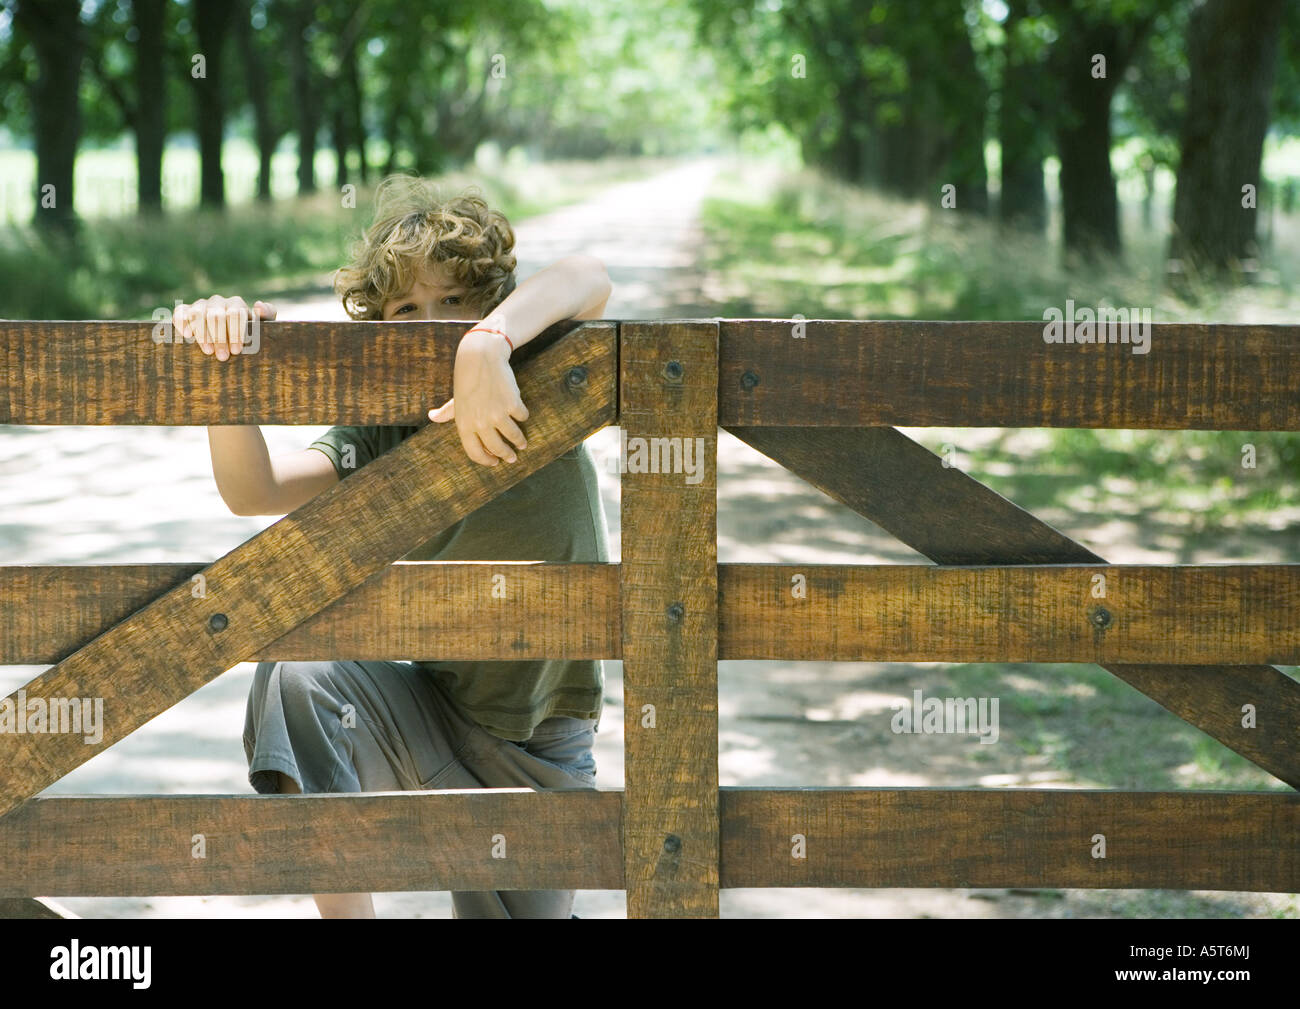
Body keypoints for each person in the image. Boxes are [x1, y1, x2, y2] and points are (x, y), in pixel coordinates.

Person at [172, 176, 612, 918]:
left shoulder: (531, 373)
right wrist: (226, 369)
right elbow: (256, 489)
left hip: (541, 751)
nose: (434, 324)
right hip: (428, 721)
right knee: (297, 675)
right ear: (379, 325)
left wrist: (490, 343)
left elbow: (590, 276)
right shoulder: (384, 430)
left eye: (457, 302)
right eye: (408, 309)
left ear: (491, 300)